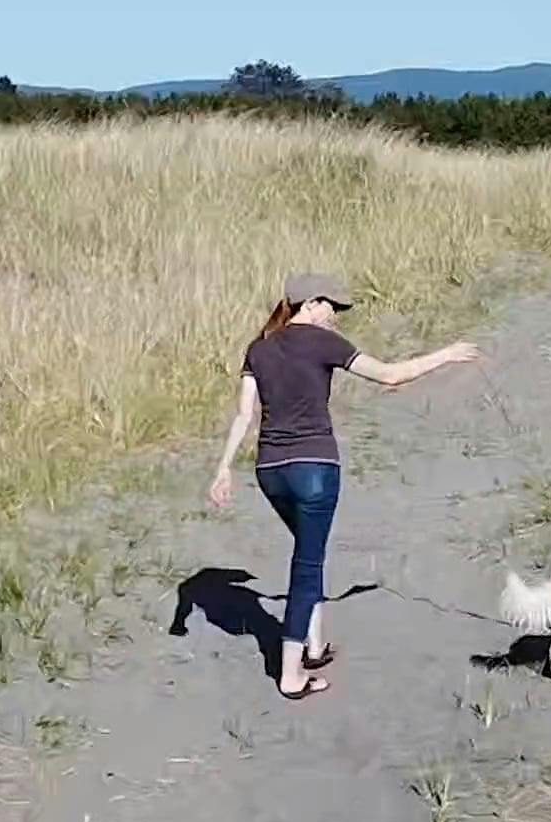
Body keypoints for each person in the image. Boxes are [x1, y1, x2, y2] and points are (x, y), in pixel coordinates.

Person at [204, 271, 479, 698]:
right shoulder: (323, 343)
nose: (336, 315)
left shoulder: (258, 348)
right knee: (308, 567)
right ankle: (292, 674)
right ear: (310, 303)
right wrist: (445, 355)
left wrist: (223, 467)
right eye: (332, 306)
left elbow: (244, 415)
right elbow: (390, 375)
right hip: (315, 468)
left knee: (307, 551)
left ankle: (313, 644)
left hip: (270, 471)